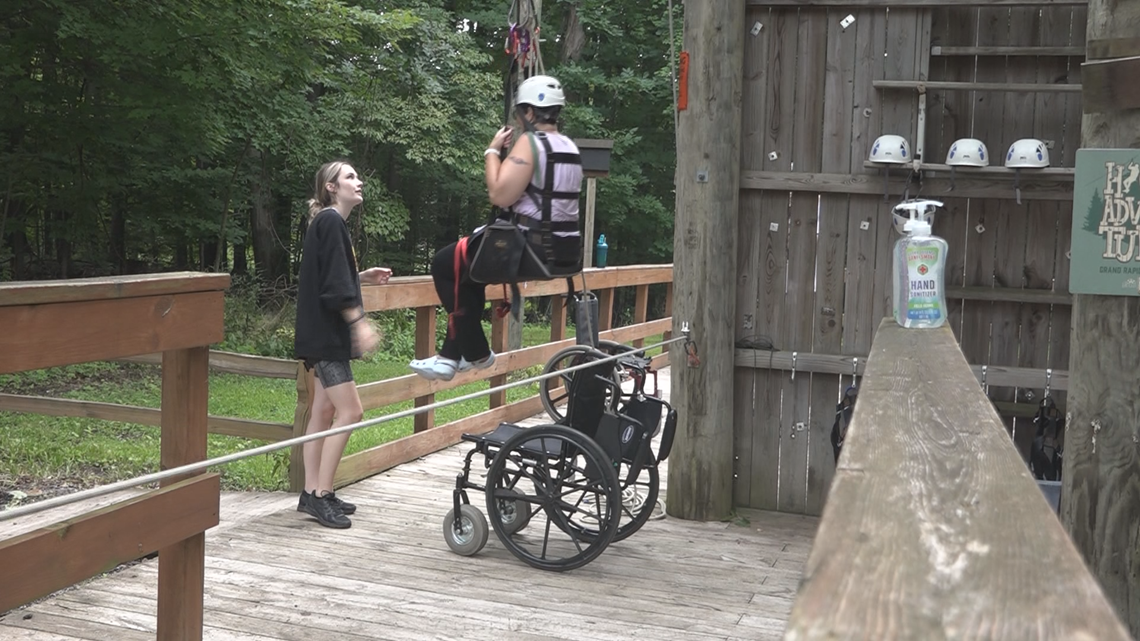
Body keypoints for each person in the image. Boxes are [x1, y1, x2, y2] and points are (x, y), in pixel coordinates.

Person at [410, 75, 583, 381]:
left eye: (520, 114)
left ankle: (475, 352)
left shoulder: (532, 142)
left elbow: (499, 193)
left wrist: (492, 152)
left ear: (530, 113)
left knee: (443, 262)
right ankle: (450, 357)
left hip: (531, 245)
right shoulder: (568, 146)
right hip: (564, 249)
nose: (518, 120)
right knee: (468, 273)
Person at [294, 160, 391, 529]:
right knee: (351, 412)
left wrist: (361, 275)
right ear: (331, 187)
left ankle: (310, 492)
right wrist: (359, 323)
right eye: (350, 176)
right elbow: (334, 289)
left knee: (322, 412)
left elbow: (331, 275)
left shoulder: (328, 223)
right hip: (327, 337)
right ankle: (322, 495)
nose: (359, 181)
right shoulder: (332, 221)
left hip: (319, 335)